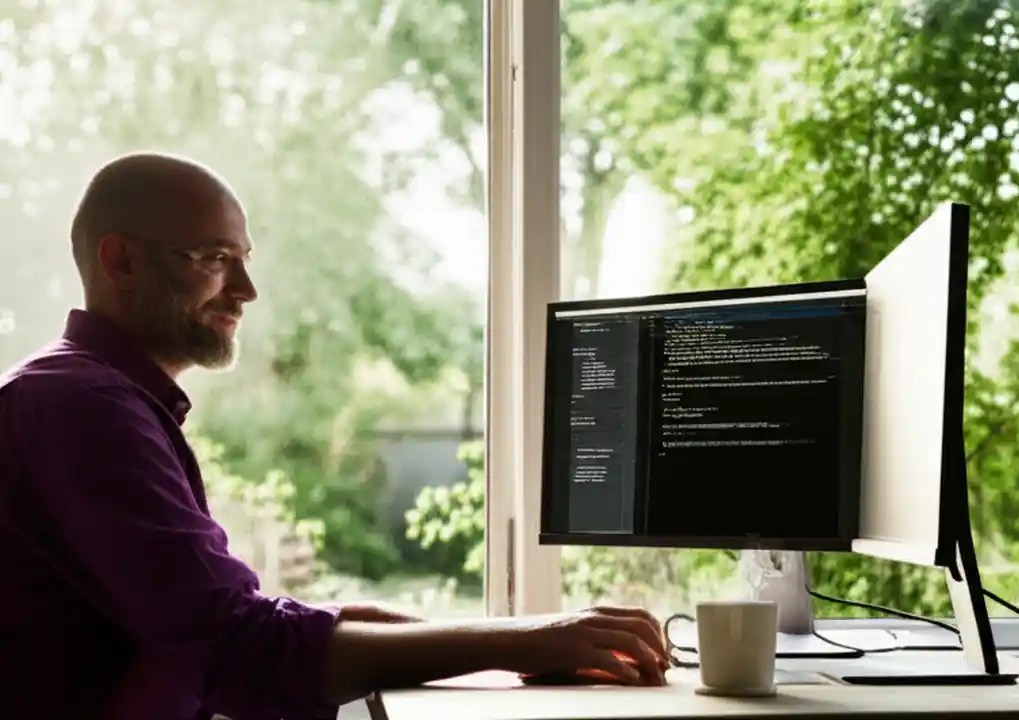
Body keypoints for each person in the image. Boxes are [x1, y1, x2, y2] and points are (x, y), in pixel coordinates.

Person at [0, 153, 669, 719]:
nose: (246, 289)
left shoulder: (86, 398)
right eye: (215, 258)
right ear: (120, 262)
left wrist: (516, 640)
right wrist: (524, 642)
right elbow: (238, 647)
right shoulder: (82, 411)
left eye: (244, 259)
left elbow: (232, 617)